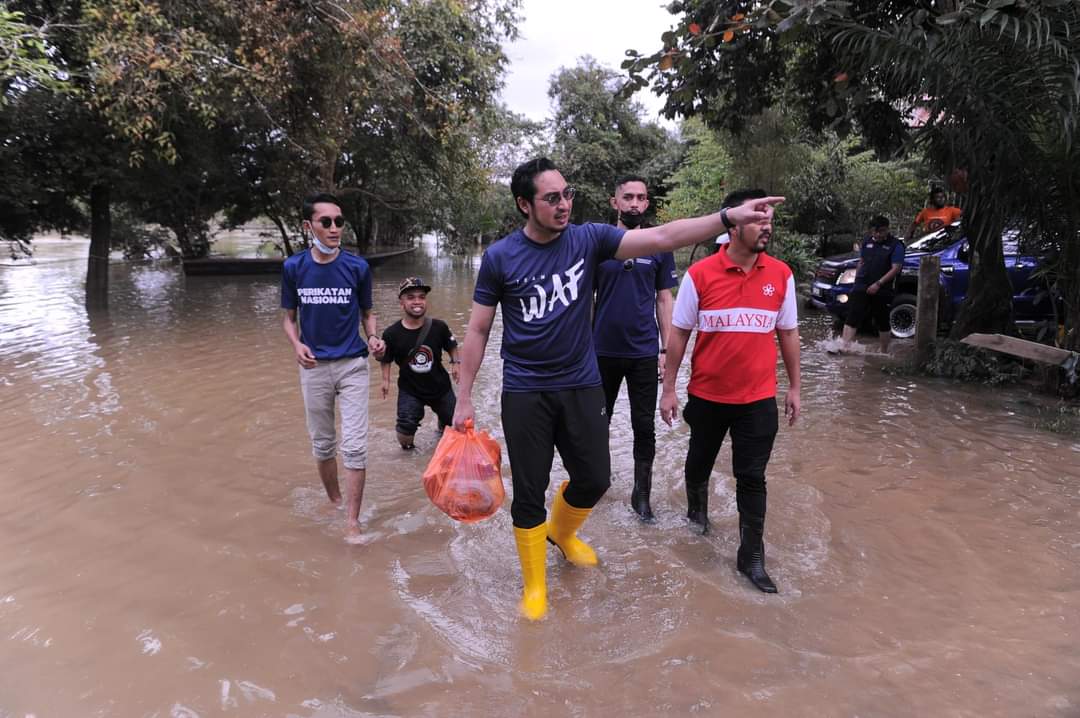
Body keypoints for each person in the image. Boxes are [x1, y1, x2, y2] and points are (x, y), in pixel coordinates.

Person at [452, 157, 782, 620]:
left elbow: (664, 237)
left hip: (581, 383)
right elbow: (479, 330)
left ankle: (562, 535)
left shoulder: (589, 239)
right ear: (525, 204)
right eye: (552, 198)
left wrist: (726, 219)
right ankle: (534, 586)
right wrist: (464, 396)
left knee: (596, 478)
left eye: (567, 194)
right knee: (529, 490)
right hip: (526, 389)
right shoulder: (501, 257)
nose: (564, 204)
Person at [660, 188, 801, 595]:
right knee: (699, 462)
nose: (766, 227)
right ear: (734, 222)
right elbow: (679, 334)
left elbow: (788, 332)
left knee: (752, 476)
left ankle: (750, 556)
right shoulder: (701, 275)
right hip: (707, 396)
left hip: (757, 399)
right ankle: (697, 516)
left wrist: (794, 387)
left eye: (769, 220)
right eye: (758, 218)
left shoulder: (781, 275)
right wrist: (668, 389)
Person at [280, 192, 385, 544]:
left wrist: (373, 337)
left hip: (353, 364)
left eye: (339, 221)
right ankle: (335, 501)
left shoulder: (357, 268)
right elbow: (288, 319)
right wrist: (297, 345)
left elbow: (368, 314)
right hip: (313, 368)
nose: (335, 228)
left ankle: (352, 522)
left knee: (354, 447)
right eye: (326, 222)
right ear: (309, 226)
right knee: (323, 445)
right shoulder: (294, 267)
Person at [593, 175, 678, 522]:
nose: (634, 204)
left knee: (644, 425)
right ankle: (596, 482)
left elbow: (663, 299)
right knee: (596, 422)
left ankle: (642, 493)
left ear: (647, 204)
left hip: (644, 352)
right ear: (614, 202)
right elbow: (582, 298)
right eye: (627, 197)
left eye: (640, 198)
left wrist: (667, 351)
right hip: (600, 352)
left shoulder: (659, 246)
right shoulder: (597, 244)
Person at [376, 277, 460, 450]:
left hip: (440, 387)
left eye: (421, 297)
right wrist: (385, 380)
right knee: (405, 437)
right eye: (411, 297)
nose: (417, 301)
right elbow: (386, 359)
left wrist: (455, 363)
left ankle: (442, 422)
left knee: (457, 427)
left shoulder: (439, 327)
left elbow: (452, 345)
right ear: (402, 303)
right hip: (411, 390)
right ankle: (409, 456)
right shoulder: (391, 333)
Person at [838, 215, 905, 354]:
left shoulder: (896, 245)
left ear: (887, 229)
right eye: (875, 231)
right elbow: (861, 261)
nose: (878, 234)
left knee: (882, 320)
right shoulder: (867, 241)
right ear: (871, 231)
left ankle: (884, 351)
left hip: (882, 288)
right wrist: (857, 280)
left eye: (882, 231)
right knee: (852, 316)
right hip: (861, 285)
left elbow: (896, 268)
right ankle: (844, 347)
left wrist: (878, 284)